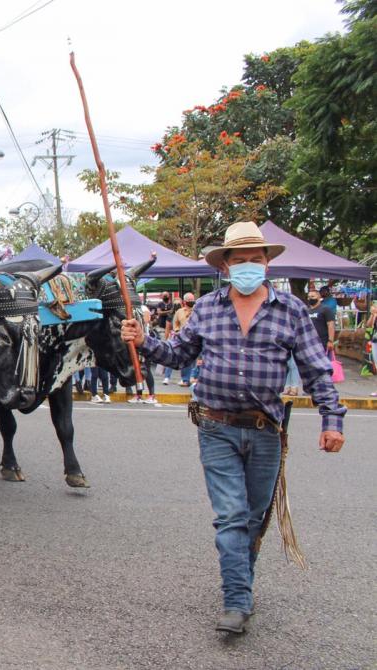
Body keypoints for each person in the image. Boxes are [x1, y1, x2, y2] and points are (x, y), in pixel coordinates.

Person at [120, 221, 345, 634]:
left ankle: (241, 581)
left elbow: (317, 370)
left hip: (265, 431)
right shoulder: (207, 308)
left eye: (254, 260)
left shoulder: (291, 310)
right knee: (230, 516)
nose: (247, 267)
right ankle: (237, 599)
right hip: (215, 426)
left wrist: (332, 420)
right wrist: (143, 340)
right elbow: (177, 354)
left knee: (253, 518)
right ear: (224, 266)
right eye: (238, 261)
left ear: (266, 264)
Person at [172, 292, 198, 386]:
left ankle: (193, 379)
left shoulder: (197, 310)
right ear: (185, 301)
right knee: (184, 359)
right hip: (183, 338)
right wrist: (177, 330)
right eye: (189, 300)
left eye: (192, 300)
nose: (191, 302)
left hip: (196, 339)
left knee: (195, 361)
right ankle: (185, 379)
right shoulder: (179, 312)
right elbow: (175, 323)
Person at [306, 289, 336, 354]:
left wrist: (330, 341)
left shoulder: (325, 309)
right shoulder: (307, 311)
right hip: (309, 342)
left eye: (312, 296)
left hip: (322, 342)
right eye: (309, 297)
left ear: (319, 297)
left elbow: (331, 325)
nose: (310, 298)